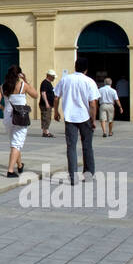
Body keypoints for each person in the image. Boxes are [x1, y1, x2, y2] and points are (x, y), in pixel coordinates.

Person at [54, 57, 99, 185]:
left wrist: (56, 112)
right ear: (86, 69)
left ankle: (73, 177)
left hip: (69, 117)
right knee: (87, 146)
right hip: (85, 117)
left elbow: (56, 97)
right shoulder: (89, 81)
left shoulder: (65, 79)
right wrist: (93, 119)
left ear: (75, 66)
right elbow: (93, 104)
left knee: (71, 147)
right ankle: (89, 174)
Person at [0, 65, 36, 179]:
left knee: (14, 142)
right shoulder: (23, 85)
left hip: (8, 116)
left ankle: (20, 165)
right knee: (16, 144)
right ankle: (10, 170)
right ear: (19, 75)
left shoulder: (2, 87)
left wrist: (4, 108)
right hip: (20, 117)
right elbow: (35, 95)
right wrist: (26, 81)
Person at [39, 70, 57, 137]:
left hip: (49, 104)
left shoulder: (49, 83)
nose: (54, 78)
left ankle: (46, 131)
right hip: (45, 104)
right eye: (53, 77)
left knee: (48, 117)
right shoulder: (45, 83)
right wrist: (46, 103)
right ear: (49, 76)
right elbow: (43, 93)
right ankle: (45, 132)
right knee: (45, 117)